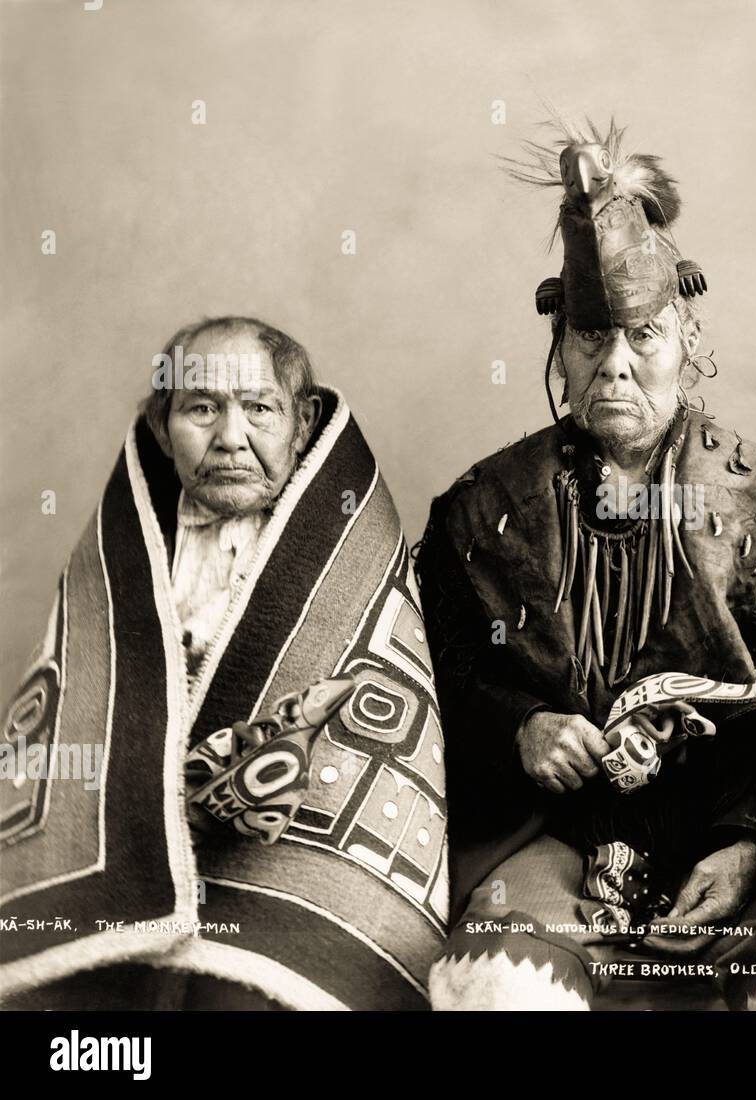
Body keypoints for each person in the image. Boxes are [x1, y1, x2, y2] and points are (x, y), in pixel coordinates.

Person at [416, 119, 756, 1009]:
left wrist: (749, 842)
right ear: (560, 347)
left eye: (646, 337)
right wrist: (522, 728)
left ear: (689, 341)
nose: (615, 367)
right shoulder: (478, 510)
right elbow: (439, 674)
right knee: (494, 995)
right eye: (591, 341)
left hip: (730, 839)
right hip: (548, 836)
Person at [0, 317, 448, 1010]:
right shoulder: (124, 549)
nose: (231, 437)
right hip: (135, 829)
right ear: (159, 426)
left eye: (259, 409)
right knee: (60, 991)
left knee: (243, 997)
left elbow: (366, 720)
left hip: (277, 847)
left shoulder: (354, 546)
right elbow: (74, 705)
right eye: (202, 408)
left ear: (303, 426)